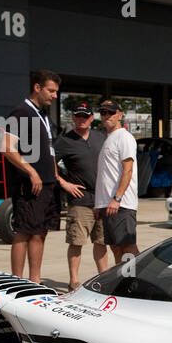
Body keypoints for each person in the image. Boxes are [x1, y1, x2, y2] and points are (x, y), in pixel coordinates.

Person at [1, 70, 83, 283]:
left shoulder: (43, 115)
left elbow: (49, 150)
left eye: (56, 91)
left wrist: (57, 178)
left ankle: (34, 280)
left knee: (40, 231)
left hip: (48, 183)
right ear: (37, 87)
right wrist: (31, 171)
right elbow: (7, 148)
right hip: (29, 184)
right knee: (24, 231)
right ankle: (16, 281)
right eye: (51, 91)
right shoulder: (20, 112)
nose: (55, 96)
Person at [57, 102, 108, 290]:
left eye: (85, 116)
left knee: (101, 242)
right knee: (76, 242)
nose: (81, 120)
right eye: (78, 116)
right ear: (73, 117)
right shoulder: (64, 141)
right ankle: (74, 281)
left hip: (102, 199)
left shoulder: (101, 137)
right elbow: (50, 163)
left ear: (91, 118)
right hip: (80, 200)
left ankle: (104, 279)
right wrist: (64, 183)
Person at [94, 99, 139, 263]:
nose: (106, 116)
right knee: (115, 246)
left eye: (110, 112)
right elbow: (106, 175)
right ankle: (123, 281)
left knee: (127, 247)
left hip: (121, 204)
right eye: (103, 112)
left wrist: (117, 198)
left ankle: (134, 282)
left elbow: (128, 170)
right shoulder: (109, 138)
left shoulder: (124, 137)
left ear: (119, 115)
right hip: (108, 205)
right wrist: (100, 204)